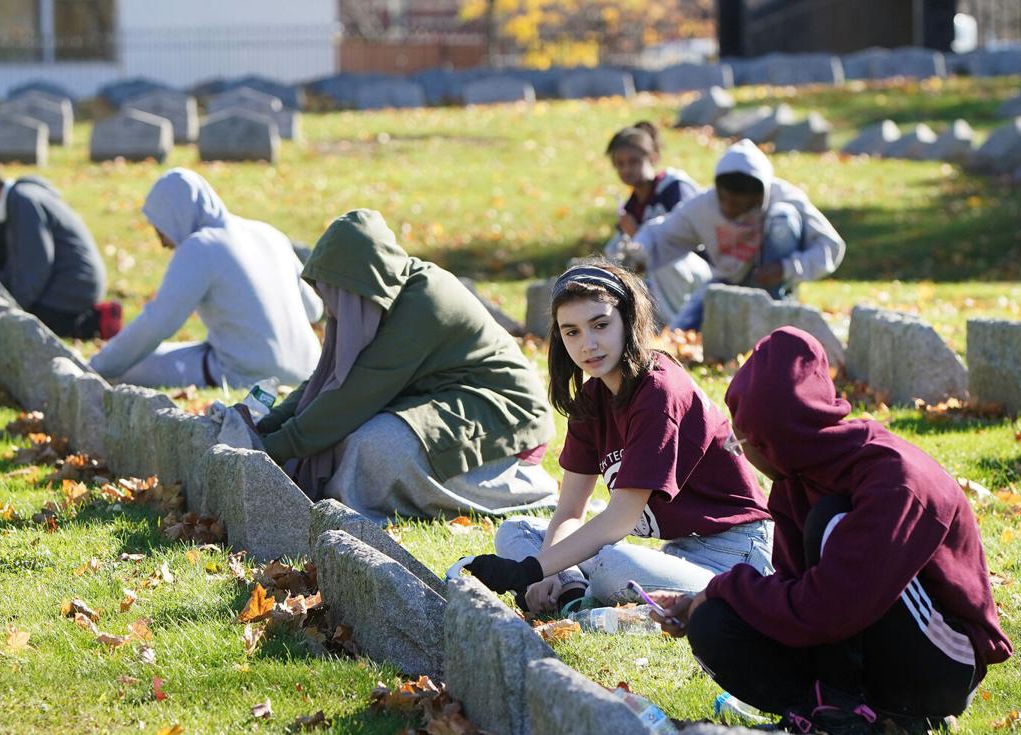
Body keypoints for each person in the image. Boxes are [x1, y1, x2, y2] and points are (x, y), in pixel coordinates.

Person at [650, 327, 1012, 735]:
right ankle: (830, 717)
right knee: (714, 625)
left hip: (941, 663)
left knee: (830, 524)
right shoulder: (794, 482)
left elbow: (826, 609)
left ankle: (891, 713)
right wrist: (704, 601)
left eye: (741, 442)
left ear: (775, 442)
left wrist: (722, 587)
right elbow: (795, 591)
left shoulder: (894, 481)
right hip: (849, 629)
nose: (741, 453)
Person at [462, 259, 773, 613]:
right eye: (572, 331)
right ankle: (573, 598)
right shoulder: (592, 398)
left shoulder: (659, 391)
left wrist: (531, 570)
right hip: (678, 552)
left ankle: (602, 601)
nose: (588, 344)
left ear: (628, 320)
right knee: (517, 532)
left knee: (614, 566)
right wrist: (546, 572)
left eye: (601, 325)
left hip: (738, 554)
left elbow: (622, 518)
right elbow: (568, 511)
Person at [255, 208, 557, 523]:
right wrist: (267, 424)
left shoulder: (424, 302)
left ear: (360, 282)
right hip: (440, 401)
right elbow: (326, 379)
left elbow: (350, 398)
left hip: (506, 417)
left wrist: (268, 451)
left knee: (374, 447)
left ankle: (524, 488)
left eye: (333, 293)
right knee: (354, 441)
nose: (330, 306)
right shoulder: (374, 302)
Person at [89, 169, 322, 389]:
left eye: (161, 230)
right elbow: (314, 309)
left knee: (131, 365)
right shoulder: (269, 234)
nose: (162, 243)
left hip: (247, 372)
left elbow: (157, 323)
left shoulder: (201, 245)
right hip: (309, 369)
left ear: (177, 216)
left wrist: (94, 367)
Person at [634, 138, 845, 331]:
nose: (727, 208)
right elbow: (660, 233)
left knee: (783, 217)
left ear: (757, 198)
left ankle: (777, 316)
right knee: (681, 328)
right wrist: (638, 254)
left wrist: (785, 268)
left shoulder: (784, 198)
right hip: (726, 282)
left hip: (773, 281)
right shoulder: (706, 205)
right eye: (723, 199)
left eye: (736, 203)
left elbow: (830, 246)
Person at [0, 157, 108, 339]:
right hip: (67, 286)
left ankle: (95, 323)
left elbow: (33, 269)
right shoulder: (18, 198)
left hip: (69, 290)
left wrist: (10, 312)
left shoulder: (23, 201)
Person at [602, 121, 709, 326]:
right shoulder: (631, 207)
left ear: (652, 158)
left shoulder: (674, 187)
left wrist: (638, 232)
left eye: (633, 161)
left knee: (663, 257)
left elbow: (689, 239)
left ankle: (681, 329)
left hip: (700, 270)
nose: (626, 169)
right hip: (664, 282)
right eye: (620, 164)